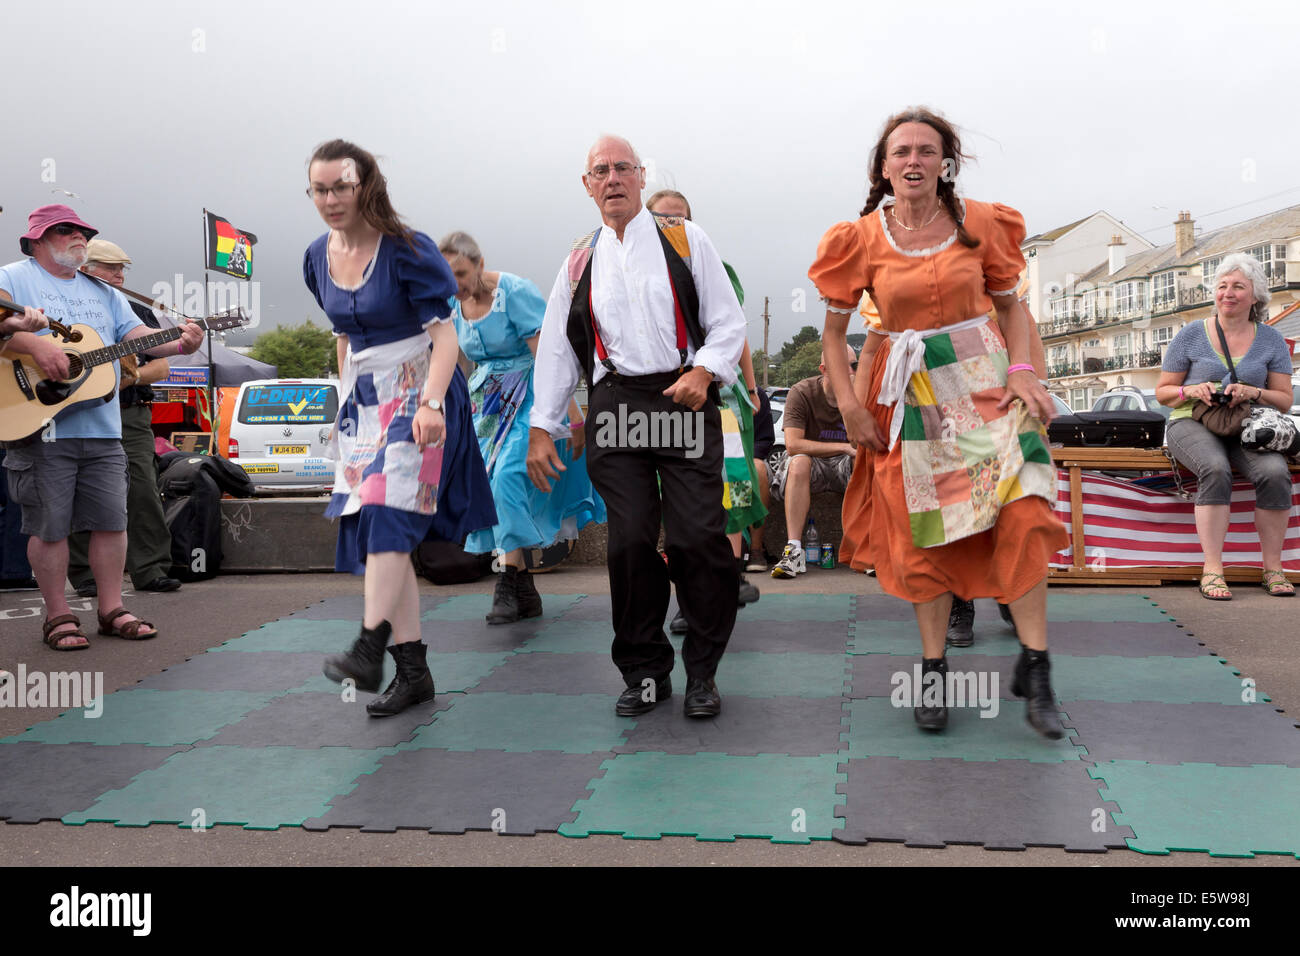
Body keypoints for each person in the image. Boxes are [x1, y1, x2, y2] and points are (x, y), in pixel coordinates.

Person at [809, 107, 1067, 737]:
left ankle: (1036, 665)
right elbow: (836, 333)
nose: (915, 161)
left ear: (945, 162)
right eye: (902, 152)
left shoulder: (982, 222)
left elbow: (1012, 309)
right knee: (927, 533)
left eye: (928, 151)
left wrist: (1025, 372)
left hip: (988, 382)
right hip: (912, 392)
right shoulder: (860, 238)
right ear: (884, 166)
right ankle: (933, 668)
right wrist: (850, 407)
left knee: (1027, 508)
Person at [527, 135, 746, 719]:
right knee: (628, 542)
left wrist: (705, 370)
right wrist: (542, 426)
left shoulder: (683, 237)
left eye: (624, 167)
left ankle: (703, 671)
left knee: (696, 538)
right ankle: (646, 673)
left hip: (682, 395)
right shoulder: (578, 260)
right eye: (601, 170)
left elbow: (729, 323)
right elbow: (555, 349)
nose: (614, 178)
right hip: (617, 401)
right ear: (587, 184)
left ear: (641, 177)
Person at [303, 140, 496, 716]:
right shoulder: (317, 256)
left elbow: (445, 337)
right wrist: (343, 402)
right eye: (319, 189)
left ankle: (369, 646)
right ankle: (413, 673)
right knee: (385, 531)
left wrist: (432, 402)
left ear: (366, 186)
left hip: (420, 391)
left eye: (341, 186)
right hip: (364, 398)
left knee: (389, 516)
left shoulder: (408, 251)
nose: (330, 199)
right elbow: (343, 335)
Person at [0, 204, 203, 651]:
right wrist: (34, 345)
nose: (79, 237)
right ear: (36, 238)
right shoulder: (14, 277)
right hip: (40, 423)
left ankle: (112, 609)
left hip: (104, 428)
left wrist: (184, 341)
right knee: (49, 526)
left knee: (113, 522)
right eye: (65, 231)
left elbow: (138, 339)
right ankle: (58, 616)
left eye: (83, 232)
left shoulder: (102, 290)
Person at [439, 230, 604, 624]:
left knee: (508, 477)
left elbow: (548, 359)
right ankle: (521, 584)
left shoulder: (514, 292)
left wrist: (573, 416)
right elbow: (458, 361)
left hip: (530, 398)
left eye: (461, 274)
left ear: (479, 265)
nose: (456, 285)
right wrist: (446, 412)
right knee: (485, 484)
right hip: (487, 404)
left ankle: (509, 580)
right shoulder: (451, 301)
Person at [644, 189, 765, 627]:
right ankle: (688, 594)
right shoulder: (632, 269)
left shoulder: (713, 266)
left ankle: (727, 581)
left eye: (678, 219)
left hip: (718, 395)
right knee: (671, 495)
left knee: (730, 486)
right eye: (659, 217)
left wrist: (751, 390)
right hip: (659, 400)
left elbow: (737, 333)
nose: (668, 225)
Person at [1156, 252, 1295, 599]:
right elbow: (1162, 393)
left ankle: (1273, 568)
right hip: (1190, 420)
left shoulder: (1271, 340)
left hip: (1244, 424)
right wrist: (1189, 389)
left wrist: (1253, 391)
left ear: (1255, 296)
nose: (1228, 293)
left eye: (1238, 287)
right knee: (1215, 469)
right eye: (1222, 286)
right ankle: (1213, 569)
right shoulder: (1190, 335)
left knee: (1276, 473)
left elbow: (1284, 400)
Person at [66, 239, 182, 598]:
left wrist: (128, 376)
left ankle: (150, 569)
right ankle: (85, 574)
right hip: (76, 411)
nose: (120, 275)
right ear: (87, 269)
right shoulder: (65, 307)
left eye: (122, 269)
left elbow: (160, 365)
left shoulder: (133, 311)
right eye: (111, 268)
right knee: (79, 489)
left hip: (129, 410)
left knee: (143, 486)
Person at [769, 346, 858, 578]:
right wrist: (842, 446)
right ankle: (794, 551)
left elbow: (863, 444)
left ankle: (867, 547)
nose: (851, 372)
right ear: (824, 369)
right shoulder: (802, 392)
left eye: (854, 365)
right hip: (813, 464)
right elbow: (792, 444)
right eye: (843, 366)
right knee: (798, 462)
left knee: (867, 463)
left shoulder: (861, 392)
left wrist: (850, 402)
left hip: (846, 464)